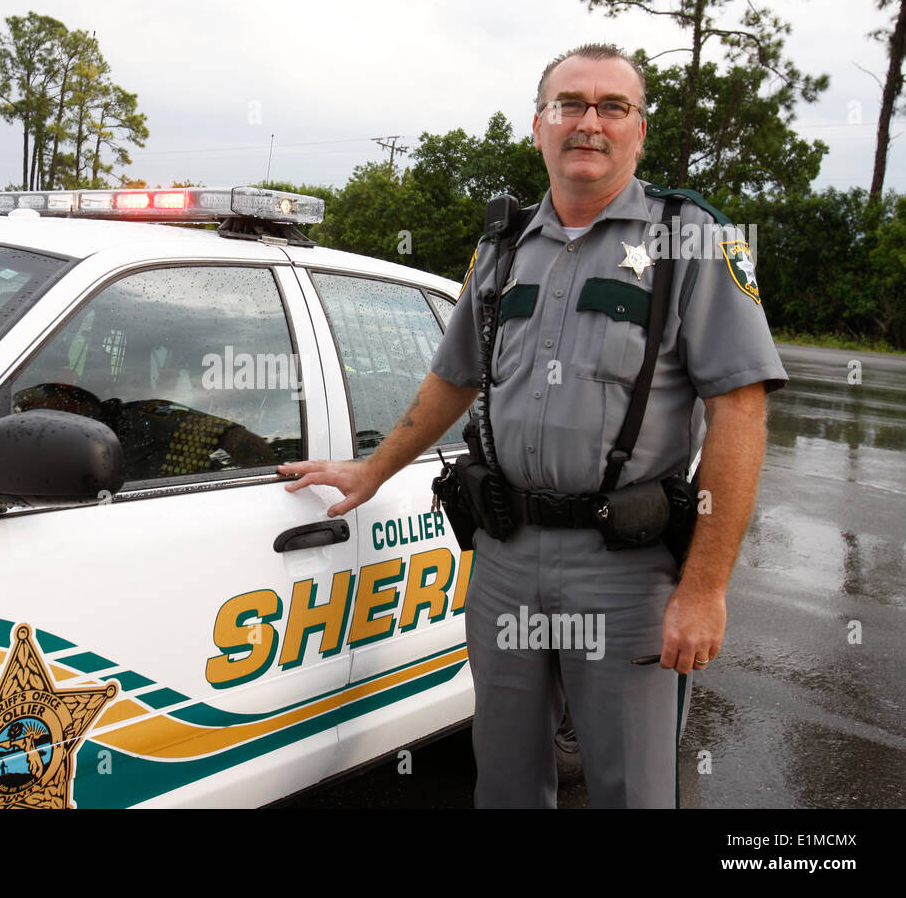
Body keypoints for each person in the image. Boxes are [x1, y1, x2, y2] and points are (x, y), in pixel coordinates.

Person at [277, 43, 788, 807]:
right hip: (506, 559)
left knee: (632, 791)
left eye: (612, 107)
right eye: (569, 105)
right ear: (540, 125)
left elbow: (740, 414)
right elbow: (452, 379)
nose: (589, 122)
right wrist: (370, 469)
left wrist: (704, 589)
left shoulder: (693, 242)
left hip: (625, 571)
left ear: (638, 131)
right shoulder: (503, 246)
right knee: (506, 781)